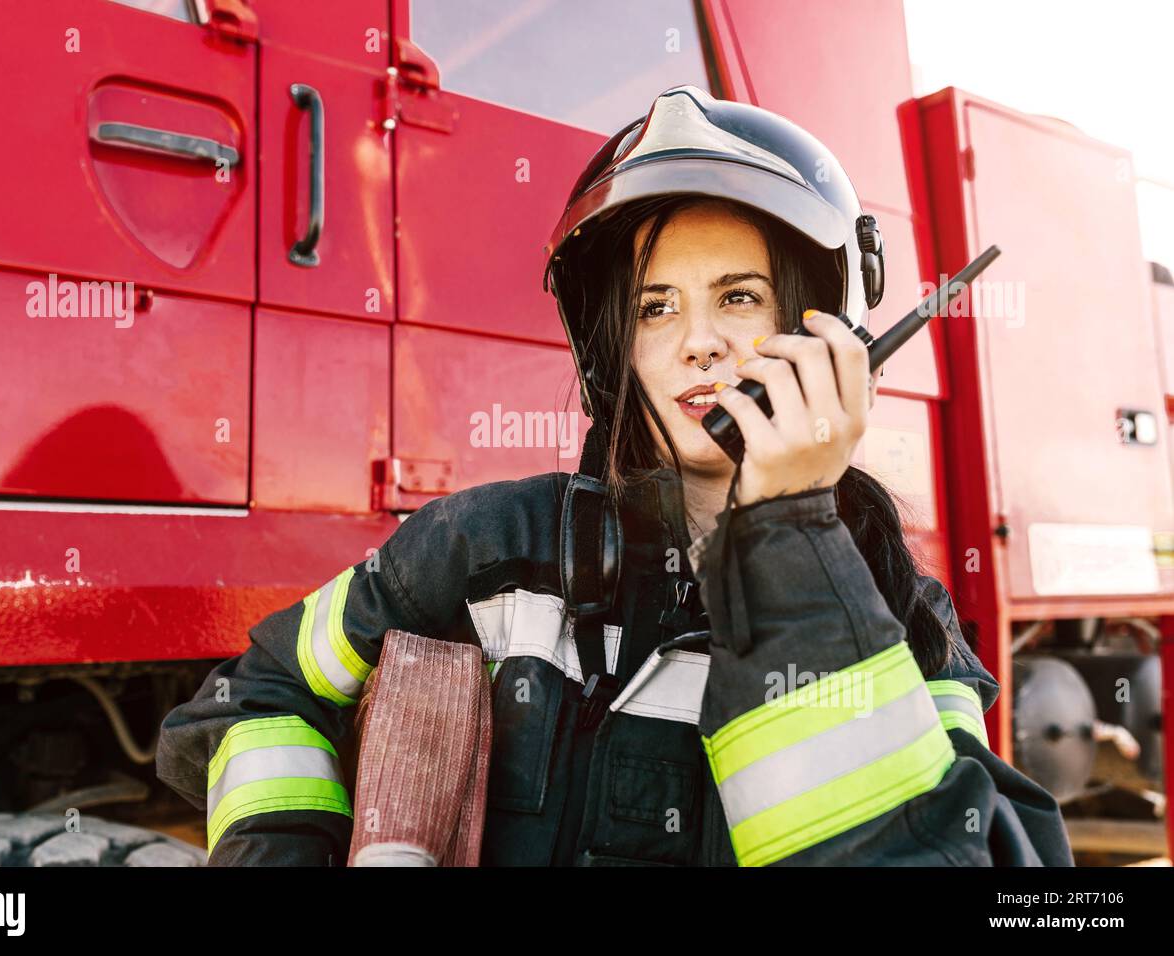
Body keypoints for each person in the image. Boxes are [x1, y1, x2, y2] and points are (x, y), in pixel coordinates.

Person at [156, 85, 1072, 866]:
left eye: (740, 296)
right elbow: (254, 699)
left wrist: (790, 531)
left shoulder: (899, 615)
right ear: (615, 352)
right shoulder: (489, 548)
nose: (697, 341)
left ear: (829, 330)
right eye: (655, 306)